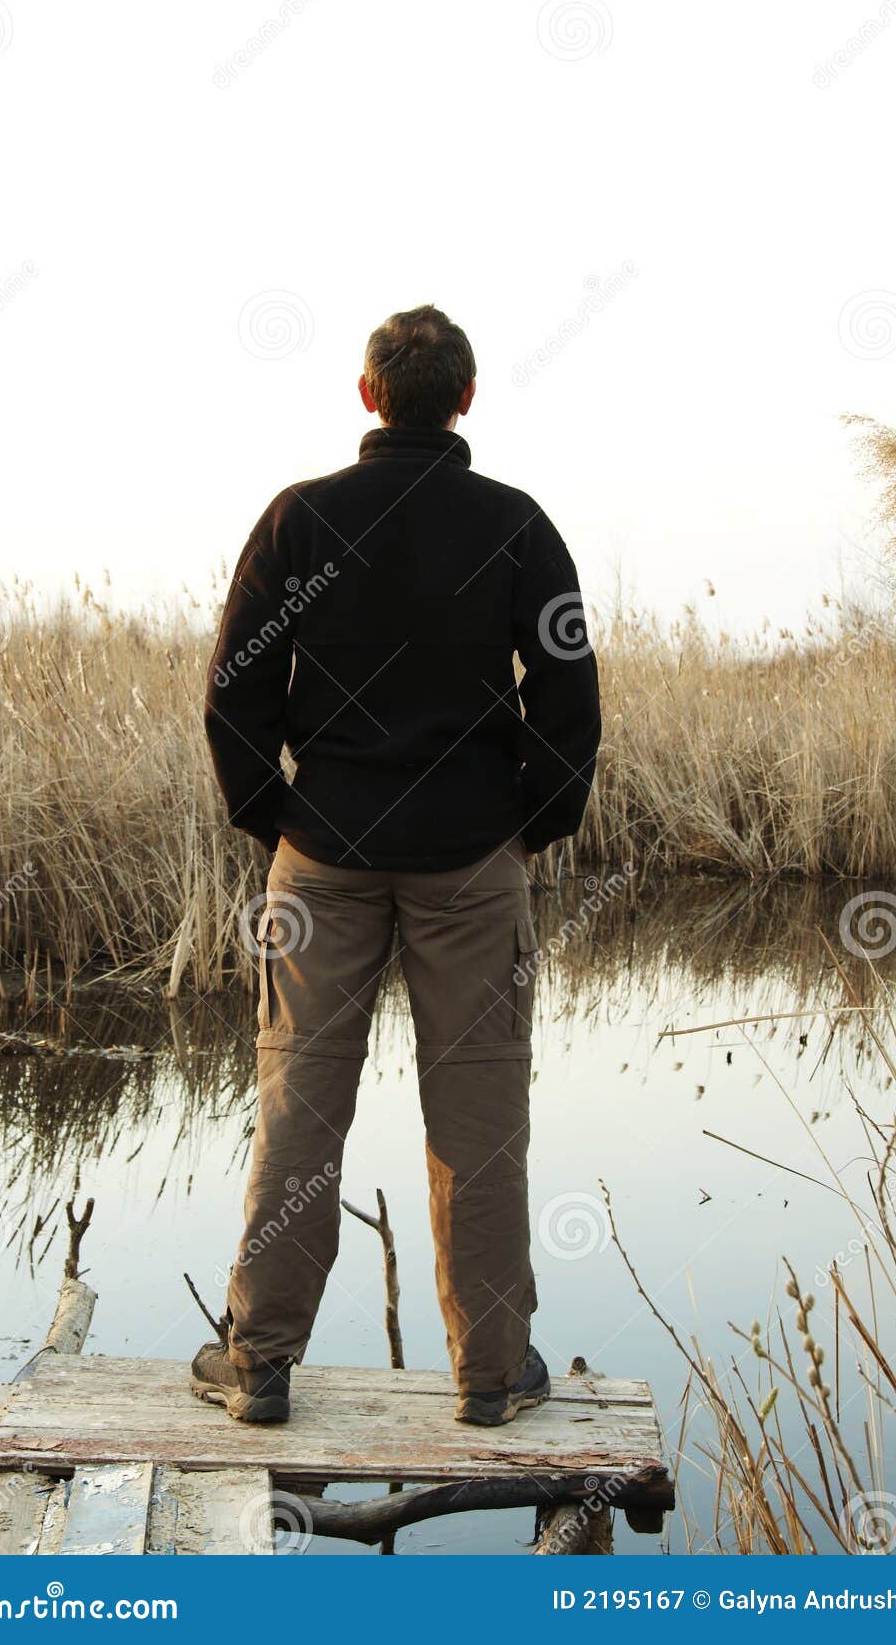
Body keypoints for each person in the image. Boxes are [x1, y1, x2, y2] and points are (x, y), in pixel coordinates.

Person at [192, 304, 601, 1426]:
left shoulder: (300, 521)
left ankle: (260, 1363)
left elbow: (234, 693)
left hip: (321, 860)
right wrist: (531, 821)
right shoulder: (517, 527)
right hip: (472, 861)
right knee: (477, 1118)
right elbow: (568, 695)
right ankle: (488, 1373)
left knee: (300, 1107)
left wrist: (279, 816)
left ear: (367, 396)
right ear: (465, 399)